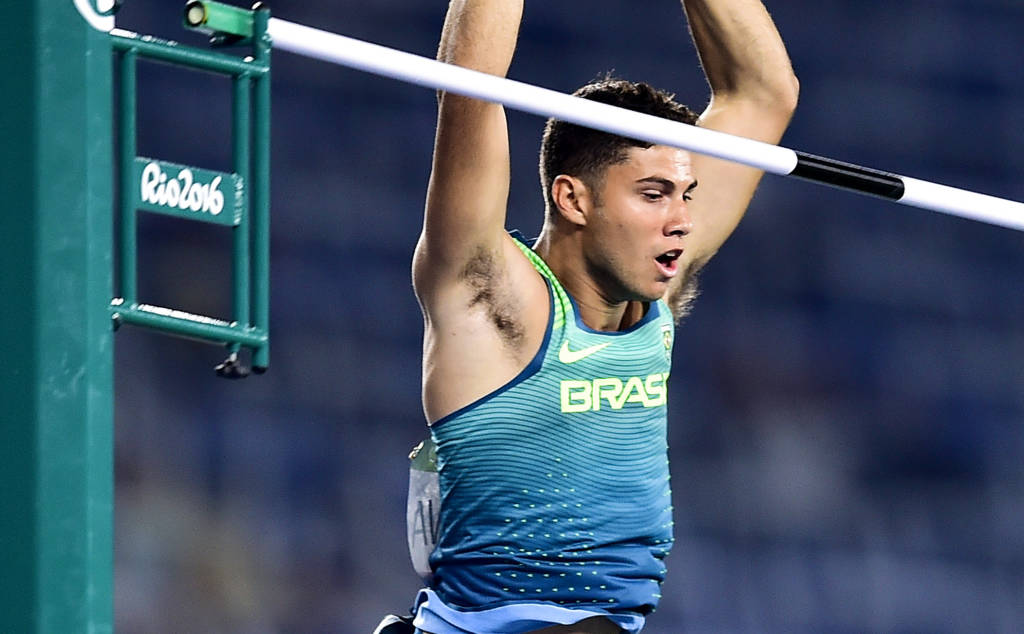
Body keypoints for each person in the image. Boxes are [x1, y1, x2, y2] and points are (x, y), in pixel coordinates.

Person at [382, 1, 798, 632]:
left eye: (686, 194)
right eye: (654, 194)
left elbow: (763, 94)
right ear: (572, 198)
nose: (682, 219)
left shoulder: (657, 279)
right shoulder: (491, 298)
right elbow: (471, 83)